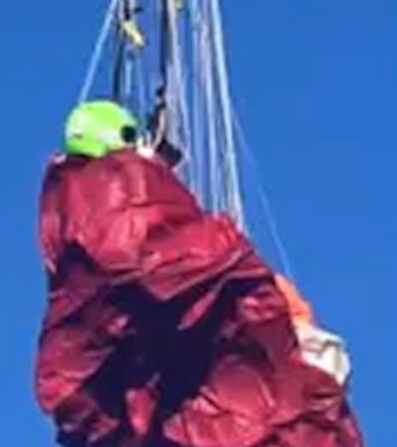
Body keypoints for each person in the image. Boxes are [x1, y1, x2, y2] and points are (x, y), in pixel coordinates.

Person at [34, 100, 362, 447]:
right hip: (208, 385)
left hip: (172, 386)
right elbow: (152, 259)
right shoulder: (115, 195)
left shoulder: (71, 215)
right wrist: (230, 250)